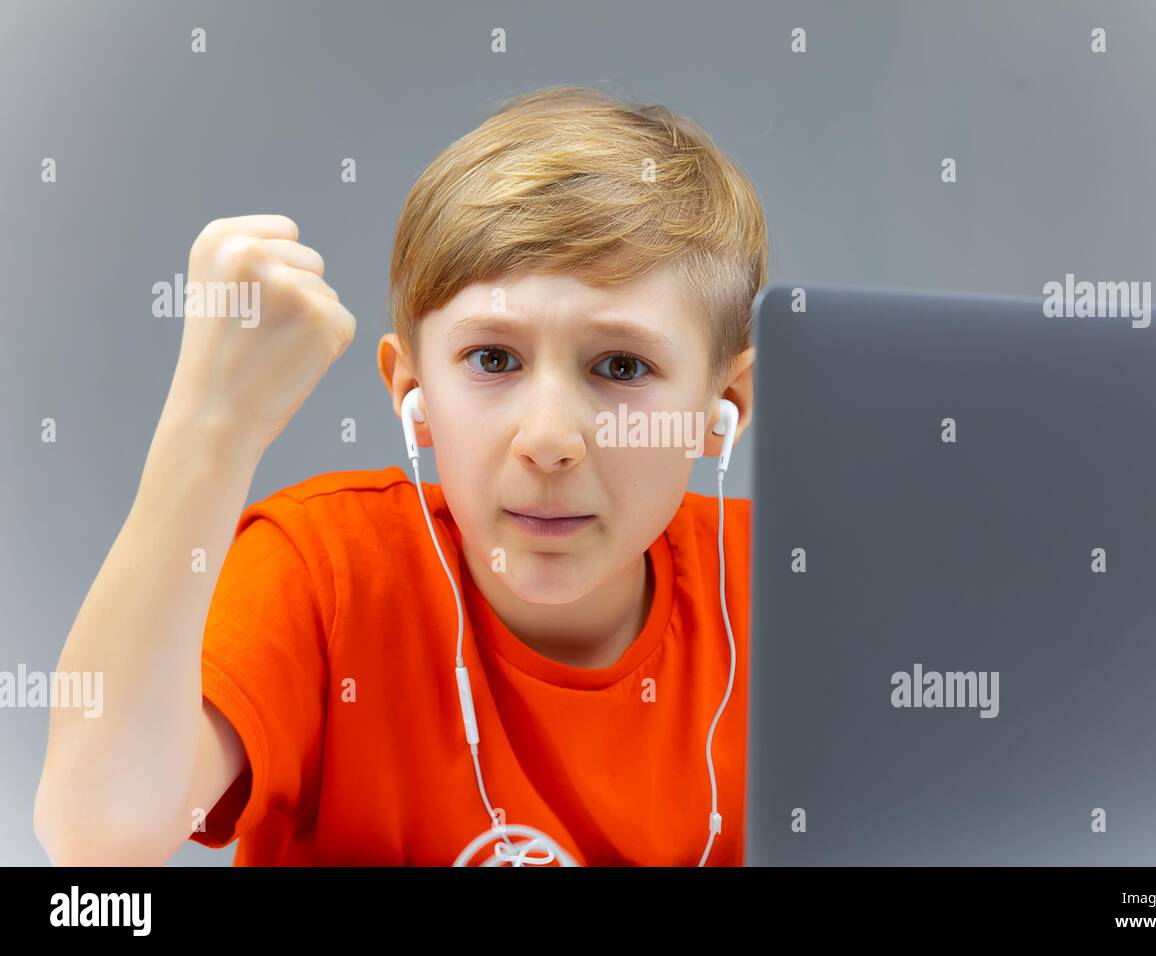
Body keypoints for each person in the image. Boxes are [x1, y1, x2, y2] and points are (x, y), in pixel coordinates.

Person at [34, 84, 766, 866]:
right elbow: (97, 836)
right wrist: (210, 426)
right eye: (493, 358)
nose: (549, 440)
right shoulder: (324, 572)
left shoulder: (781, 587)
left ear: (723, 406)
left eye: (621, 366)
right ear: (410, 392)